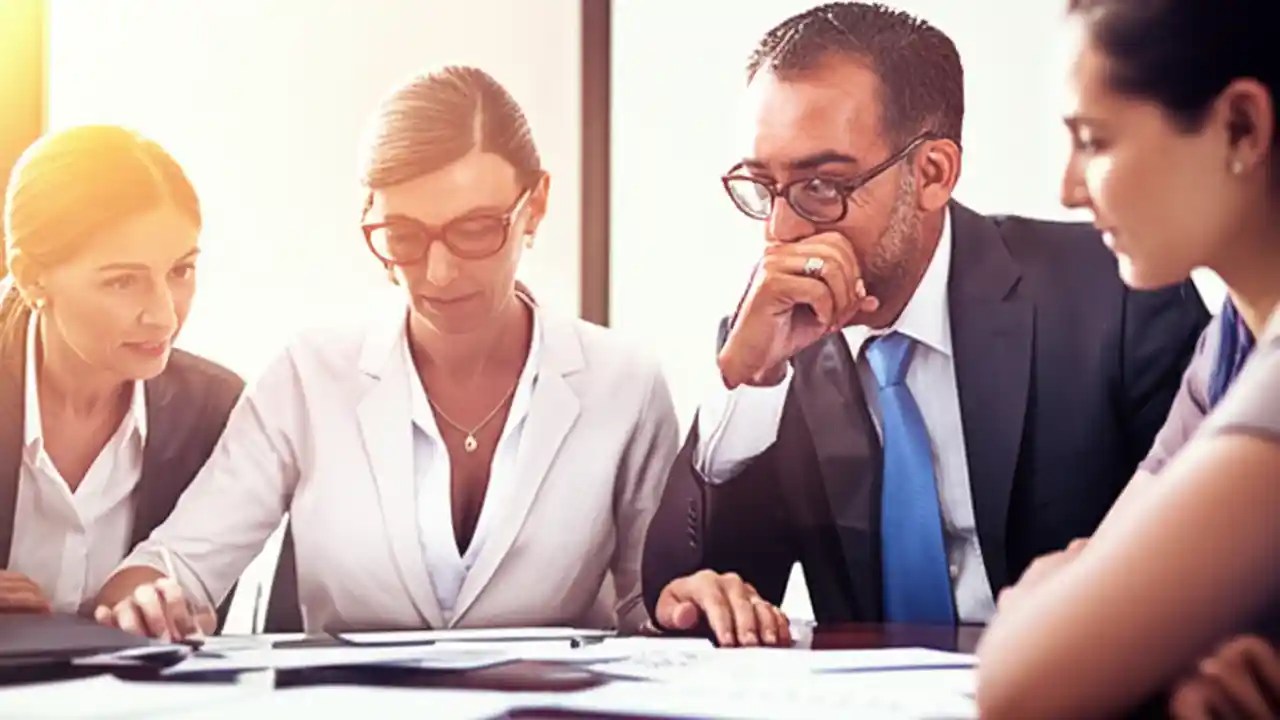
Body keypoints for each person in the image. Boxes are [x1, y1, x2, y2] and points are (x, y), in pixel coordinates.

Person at [642, 1, 1210, 648]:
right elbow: (689, 594)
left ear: (932, 172)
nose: (782, 230)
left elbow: (1223, 567)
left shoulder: (1115, 292)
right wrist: (748, 384)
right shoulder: (772, 335)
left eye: (821, 186)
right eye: (762, 186)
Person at [92, 66, 680, 638]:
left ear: (538, 204)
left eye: (476, 229)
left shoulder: (624, 384)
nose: (439, 272)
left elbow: (649, 605)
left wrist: (683, 604)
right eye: (403, 237)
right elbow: (175, 565)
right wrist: (146, 600)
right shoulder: (310, 374)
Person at [975, 0, 1280, 717]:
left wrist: (1083, 618)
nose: (1067, 189)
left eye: (1094, 141)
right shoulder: (1229, 345)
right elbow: (1099, 587)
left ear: (1242, 126)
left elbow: (1025, 681)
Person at [0, 125, 242, 617]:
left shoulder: (213, 411)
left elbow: (198, 600)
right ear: (31, 277)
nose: (164, 316)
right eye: (122, 282)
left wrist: (172, 612)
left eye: (180, 271)